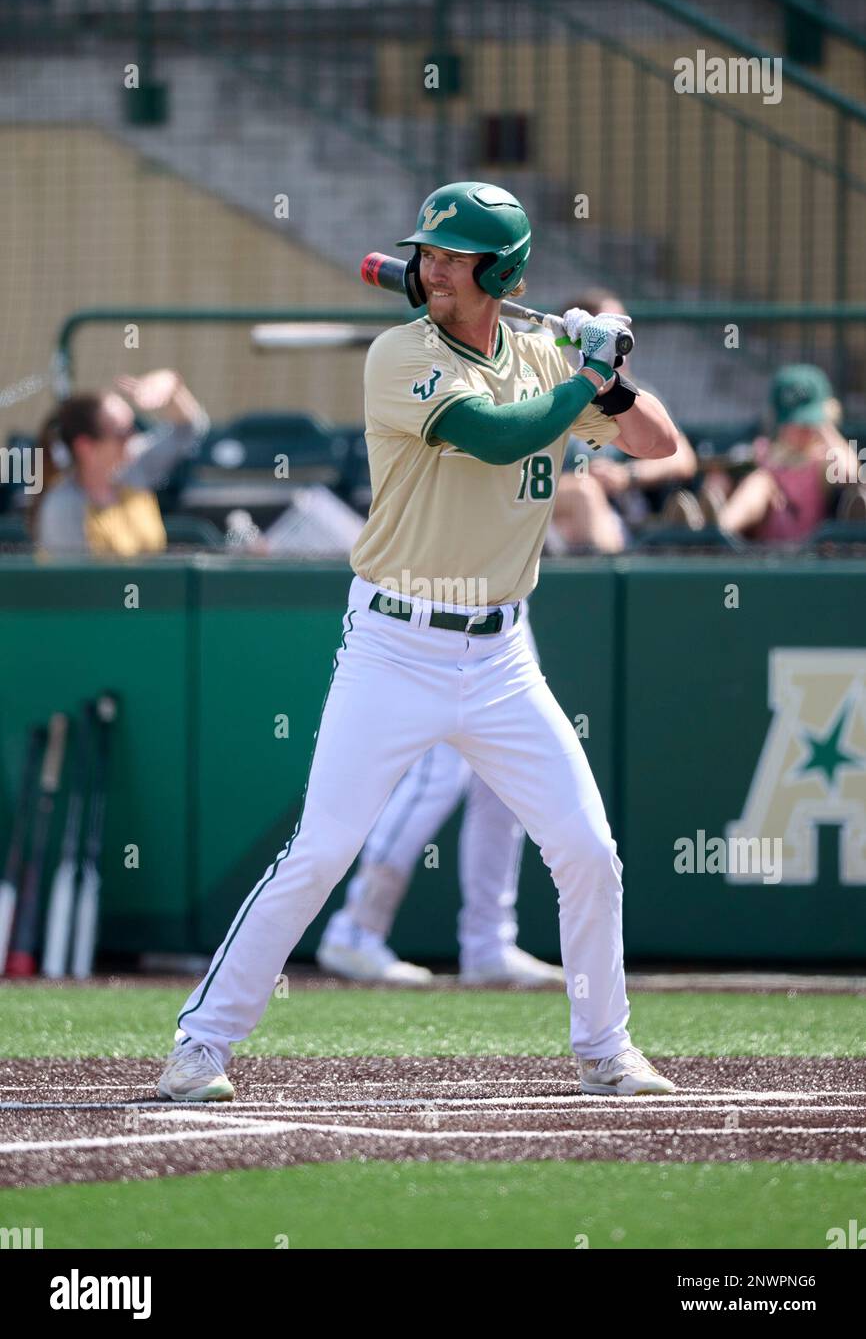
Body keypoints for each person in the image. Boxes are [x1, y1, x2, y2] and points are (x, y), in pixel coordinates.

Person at [158, 180, 679, 1103]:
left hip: (503, 657)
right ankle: (201, 1042)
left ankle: (605, 1046)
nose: (430, 268)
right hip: (394, 643)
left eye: (453, 256)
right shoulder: (399, 353)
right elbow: (491, 434)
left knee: (589, 850)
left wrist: (613, 370)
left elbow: (657, 443)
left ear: (503, 270)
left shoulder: (540, 355)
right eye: (428, 254)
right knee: (320, 851)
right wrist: (577, 378)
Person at [316, 608, 565, 989]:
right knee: (438, 775)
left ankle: (488, 945)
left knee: (501, 780)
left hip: (508, 613)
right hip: (442, 611)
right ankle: (355, 929)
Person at [551, 289, 697, 553]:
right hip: (548, 500)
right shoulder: (552, 386)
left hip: (618, 509)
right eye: (610, 330)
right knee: (584, 492)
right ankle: (612, 581)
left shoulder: (634, 393)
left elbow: (682, 457)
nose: (623, 342)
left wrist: (627, 475)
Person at [33, 369, 209, 556]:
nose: (133, 438)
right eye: (121, 434)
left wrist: (171, 385)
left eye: (132, 427)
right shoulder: (62, 506)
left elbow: (188, 431)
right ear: (85, 447)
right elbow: (77, 582)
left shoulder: (133, 468)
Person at [713, 365, 859, 543]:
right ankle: (715, 532)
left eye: (808, 421)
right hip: (761, 549)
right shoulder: (763, 452)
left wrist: (823, 426)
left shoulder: (823, 458)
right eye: (795, 421)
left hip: (808, 552)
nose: (802, 428)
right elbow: (731, 464)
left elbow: (850, 474)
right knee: (757, 482)